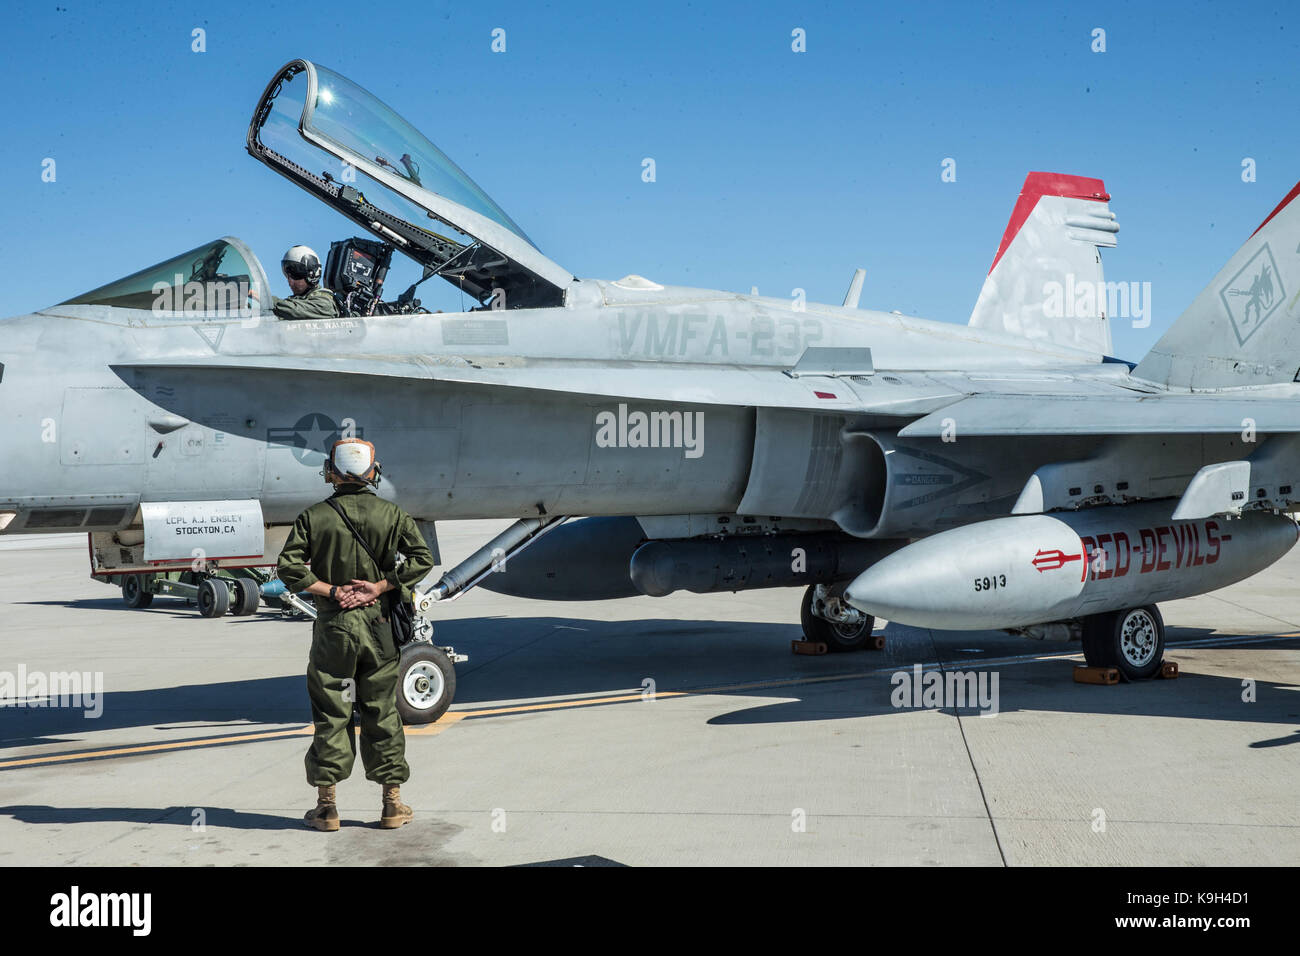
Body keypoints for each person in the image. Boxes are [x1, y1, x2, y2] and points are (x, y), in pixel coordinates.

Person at [277, 437, 434, 831]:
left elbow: (289, 568)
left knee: (333, 712)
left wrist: (331, 591)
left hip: (334, 627)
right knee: (382, 711)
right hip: (378, 626)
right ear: (372, 473)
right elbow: (422, 559)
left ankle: (327, 808)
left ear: (331, 473)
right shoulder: (392, 514)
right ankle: (392, 805)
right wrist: (381, 586)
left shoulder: (314, 517)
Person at [269, 245, 340, 320]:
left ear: (312, 275)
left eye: (295, 275)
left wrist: (265, 299)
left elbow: (295, 310)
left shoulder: (324, 303)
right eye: (287, 275)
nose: (290, 282)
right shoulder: (294, 302)